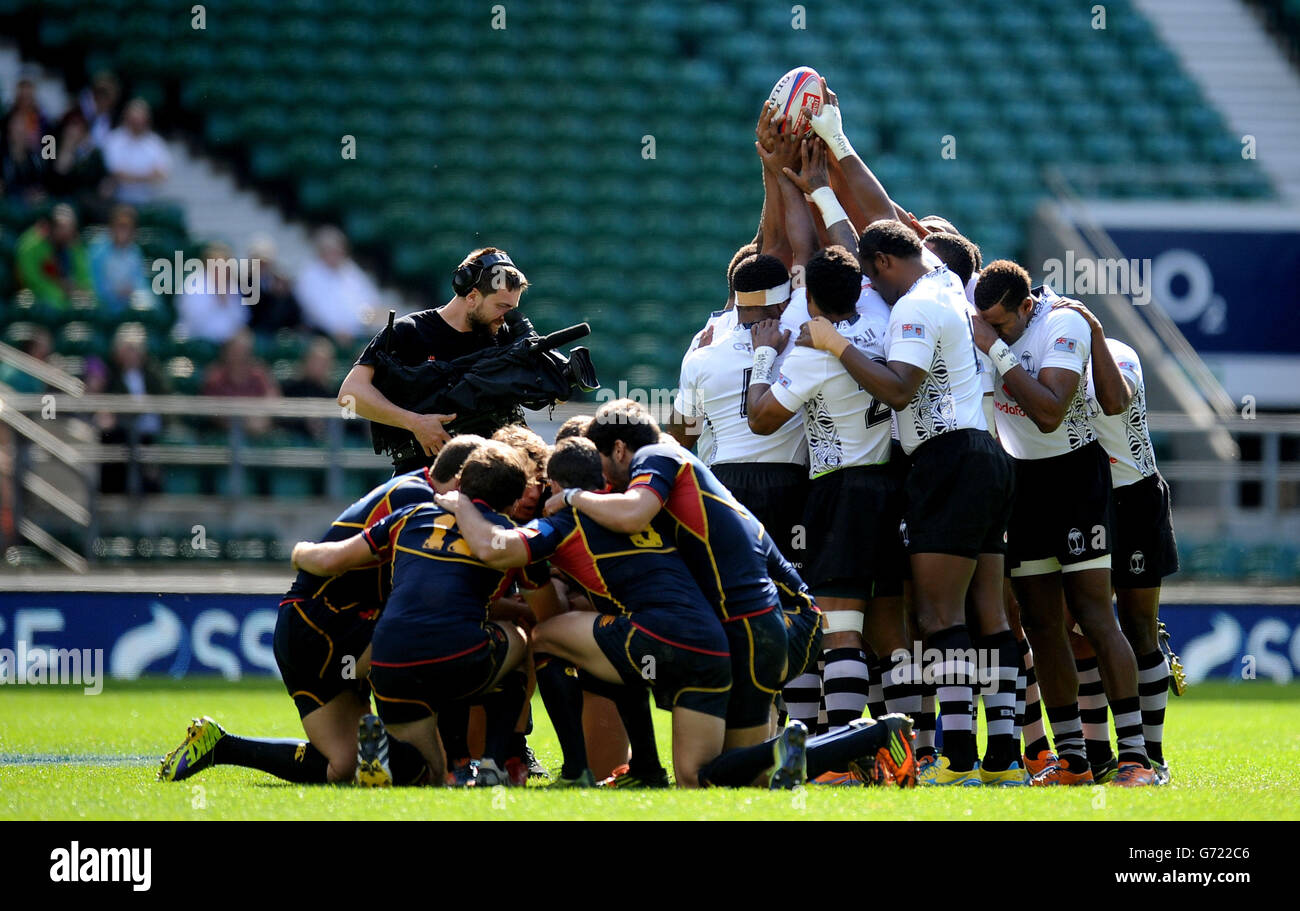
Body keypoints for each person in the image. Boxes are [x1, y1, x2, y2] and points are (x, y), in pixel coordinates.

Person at [443, 437, 733, 788]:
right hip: (710, 645)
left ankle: (575, 771)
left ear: (554, 485)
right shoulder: (633, 508)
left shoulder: (565, 522)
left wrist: (462, 505)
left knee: (546, 636)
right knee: (697, 778)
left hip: (653, 639)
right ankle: (779, 751)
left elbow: (493, 548)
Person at [156, 454, 448, 786]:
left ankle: (221, 747)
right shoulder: (421, 501)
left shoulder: (410, 490)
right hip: (332, 622)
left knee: (343, 764)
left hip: (302, 624)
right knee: (410, 651)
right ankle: (437, 764)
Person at [972, 262, 1156, 787]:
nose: (991, 331)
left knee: (1094, 615)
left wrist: (995, 350)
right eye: (986, 323)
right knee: (1040, 624)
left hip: (1076, 478)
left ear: (1027, 306)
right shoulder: (985, 323)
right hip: (1022, 482)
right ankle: (1073, 759)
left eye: (1002, 323)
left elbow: (1050, 412)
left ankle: (1136, 758)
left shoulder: (1063, 322)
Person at [292, 441, 533, 787]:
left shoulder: (408, 515)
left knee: (430, 774)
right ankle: (493, 766)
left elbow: (330, 560)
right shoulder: (510, 536)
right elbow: (539, 607)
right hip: (457, 657)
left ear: (461, 483)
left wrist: (300, 552)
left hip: (389, 663)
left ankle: (384, 749)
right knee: (519, 639)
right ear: (514, 501)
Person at [567, 399, 788, 753]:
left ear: (619, 449)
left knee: (739, 769)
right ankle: (796, 750)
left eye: (601, 462)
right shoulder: (669, 458)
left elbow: (633, 515)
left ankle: (837, 746)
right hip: (752, 616)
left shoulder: (655, 455)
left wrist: (572, 496)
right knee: (718, 770)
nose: (603, 477)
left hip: (757, 617)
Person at [338, 247, 528, 474]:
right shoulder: (409, 331)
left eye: (512, 308)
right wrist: (414, 422)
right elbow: (349, 395)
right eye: (501, 307)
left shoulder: (502, 337)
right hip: (421, 476)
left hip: (487, 476)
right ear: (472, 297)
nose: (506, 317)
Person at [294, 226, 381, 346]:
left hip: (356, 333)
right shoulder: (309, 275)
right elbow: (314, 309)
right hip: (321, 335)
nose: (336, 255)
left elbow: (370, 299)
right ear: (321, 252)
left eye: (339, 250)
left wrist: (363, 322)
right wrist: (335, 329)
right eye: (330, 251)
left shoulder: (351, 270)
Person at [14, 204, 95, 311]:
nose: (67, 233)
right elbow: (32, 281)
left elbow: (84, 276)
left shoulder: (73, 243)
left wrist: (82, 292)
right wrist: (62, 294)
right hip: (38, 299)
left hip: (70, 294)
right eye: (62, 228)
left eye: (71, 228)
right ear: (51, 226)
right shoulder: (30, 245)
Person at [89, 204, 156, 316]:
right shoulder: (98, 250)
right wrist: (115, 293)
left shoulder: (134, 251)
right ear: (112, 227)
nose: (123, 231)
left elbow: (141, 282)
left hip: (130, 305)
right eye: (120, 226)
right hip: (104, 308)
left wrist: (133, 291)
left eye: (128, 227)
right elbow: (94, 284)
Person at [102, 98, 170, 205]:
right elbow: (117, 174)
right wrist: (148, 176)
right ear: (126, 118)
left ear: (147, 120)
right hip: (119, 200)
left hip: (149, 200)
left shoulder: (155, 142)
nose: (138, 123)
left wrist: (130, 176)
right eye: (134, 120)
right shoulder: (114, 140)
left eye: (141, 120)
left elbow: (162, 175)